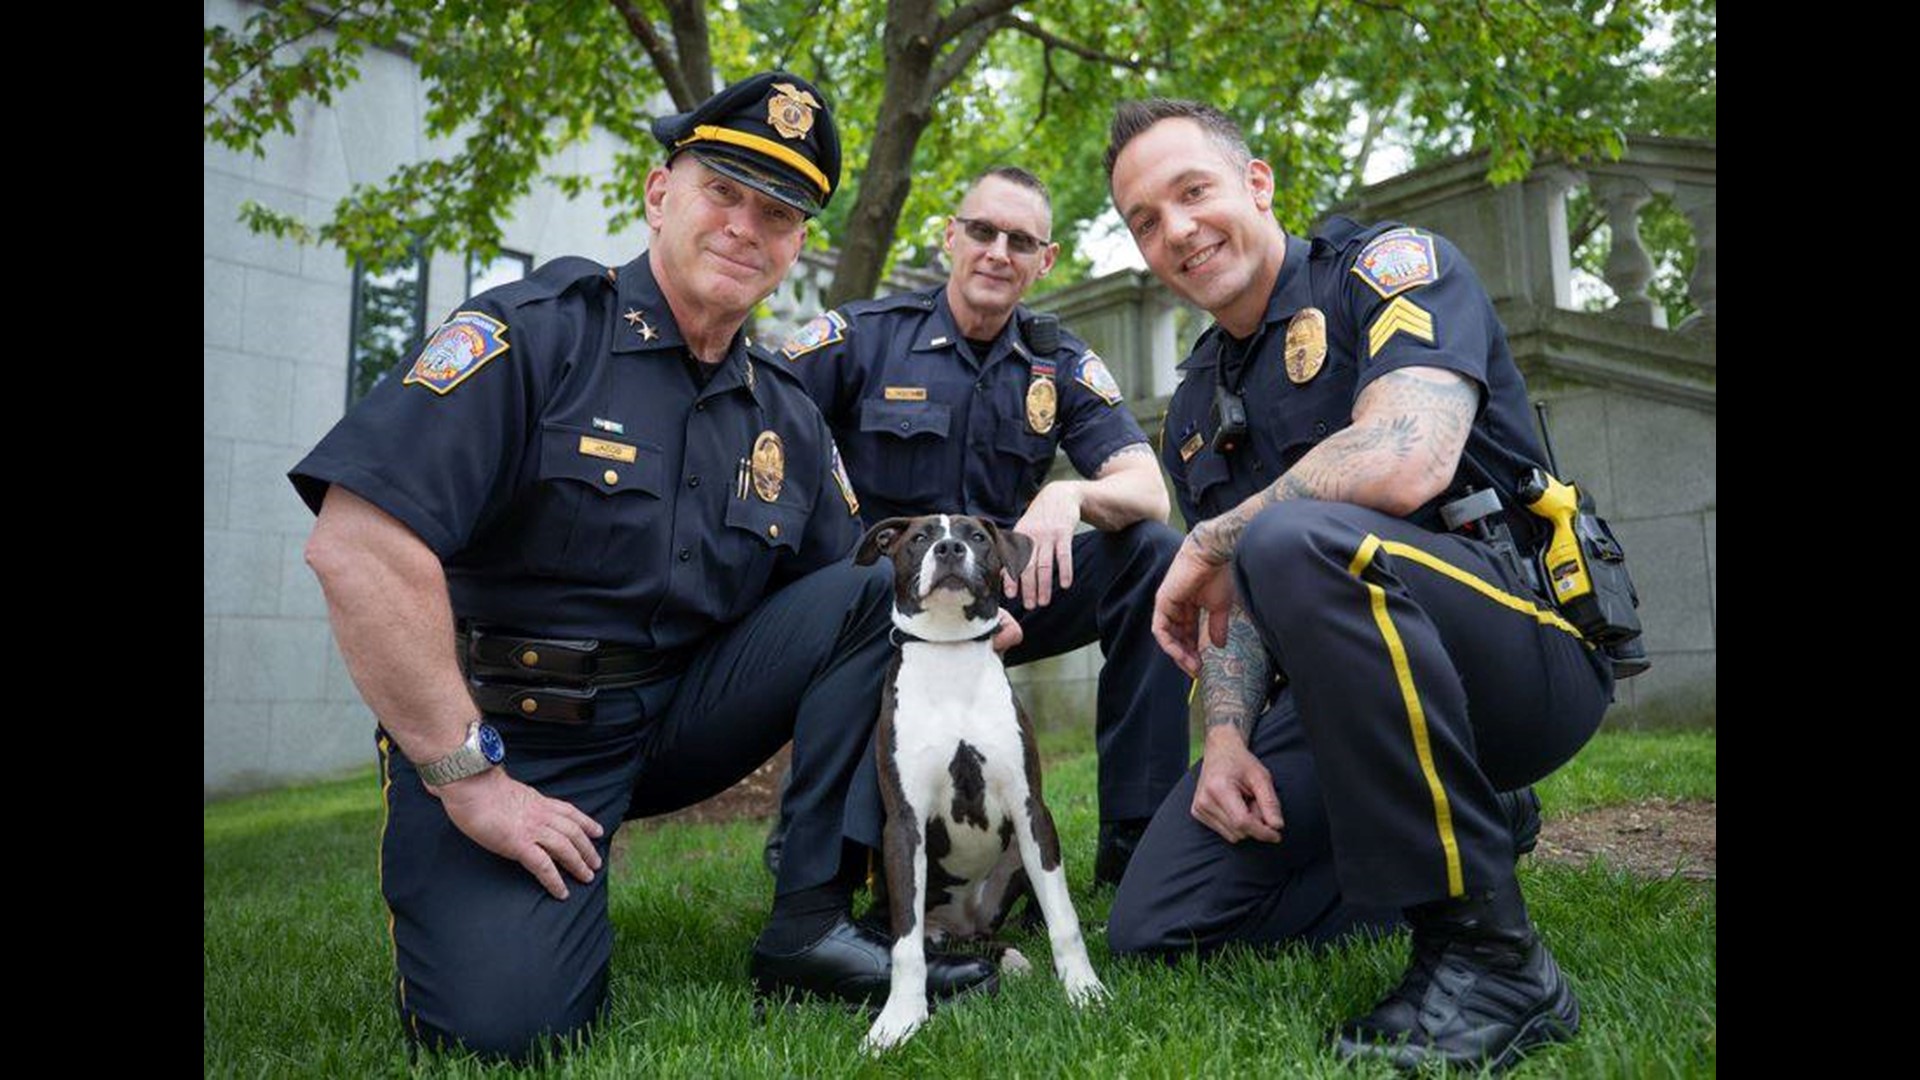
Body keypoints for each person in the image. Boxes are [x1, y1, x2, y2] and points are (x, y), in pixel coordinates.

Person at [289, 72, 995, 1063]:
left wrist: (960, 620)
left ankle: (809, 928)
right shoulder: (538, 335)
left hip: (675, 719)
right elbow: (356, 545)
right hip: (512, 732)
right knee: (509, 1034)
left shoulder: (786, 414)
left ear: (796, 246)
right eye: (725, 192)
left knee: (890, 595)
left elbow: (847, 608)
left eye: (781, 213)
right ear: (661, 193)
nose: (750, 228)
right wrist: (469, 780)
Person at [1100, 99, 1609, 1071]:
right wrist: (1223, 739)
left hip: (1520, 650)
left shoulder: (1390, 270)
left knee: (1291, 538)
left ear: (1258, 184)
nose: (1175, 230)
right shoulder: (1199, 400)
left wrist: (1213, 535)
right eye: (1144, 221)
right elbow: (1235, 603)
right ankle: (1473, 828)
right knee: (1157, 922)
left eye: (1192, 191)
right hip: (1351, 699)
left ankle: (1492, 957)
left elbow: (1406, 458)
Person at [778, 166, 1190, 886]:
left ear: (1044, 261)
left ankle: (1139, 845)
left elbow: (1148, 490)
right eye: (983, 231)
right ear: (950, 238)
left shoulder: (1057, 361)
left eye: (1021, 240)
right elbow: (763, 416)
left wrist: (1071, 498)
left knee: (1152, 554)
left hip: (1003, 592)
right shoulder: (867, 336)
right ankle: (821, 848)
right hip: (880, 601)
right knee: (866, 600)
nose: (999, 251)